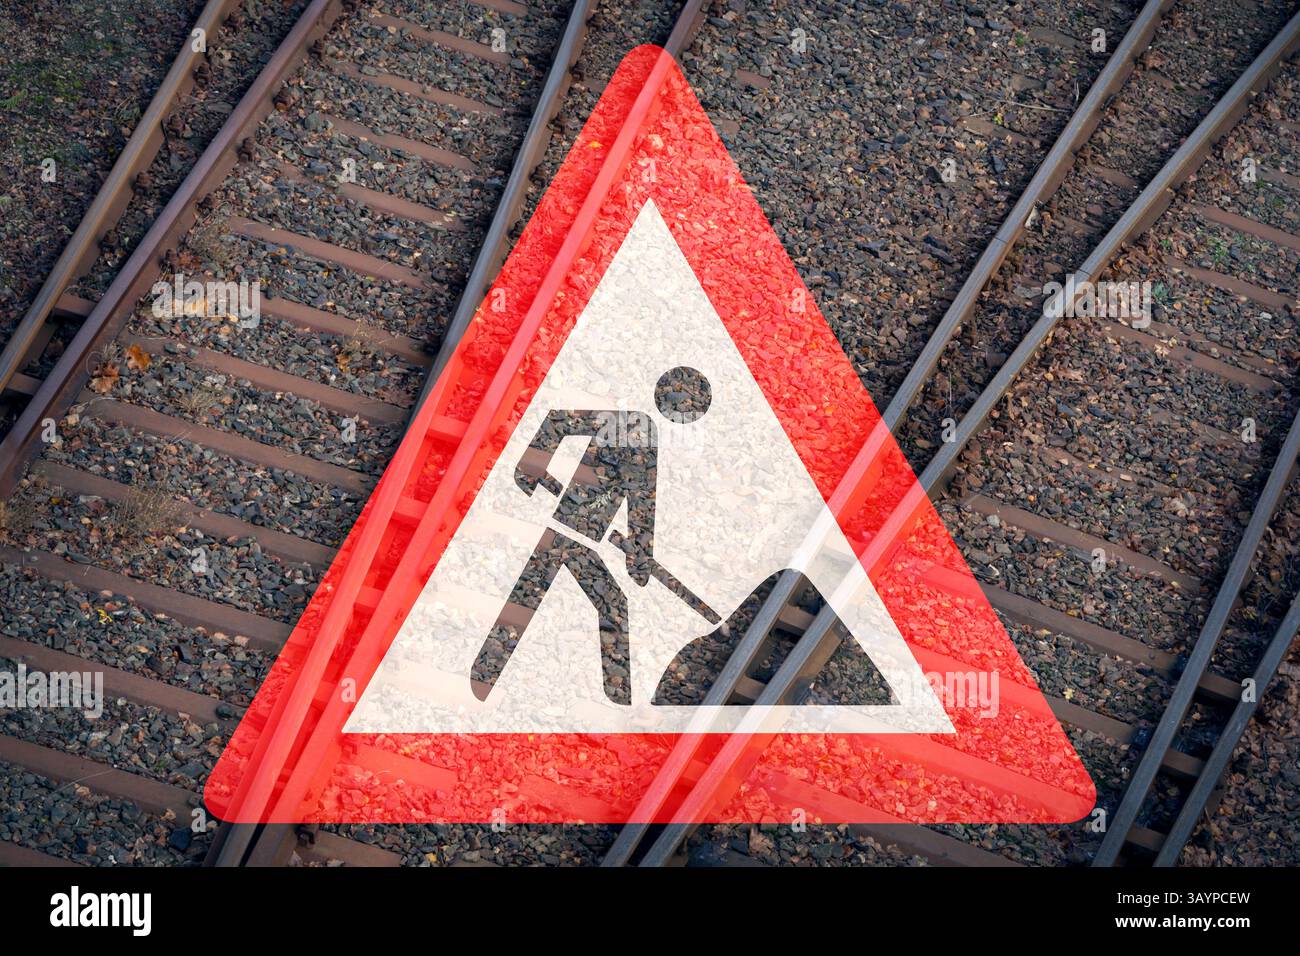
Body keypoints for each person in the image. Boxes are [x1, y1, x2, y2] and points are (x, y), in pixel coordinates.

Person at [471, 366, 712, 704]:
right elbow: (559, 421)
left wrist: (637, 556)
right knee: (593, 602)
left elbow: (640, 503)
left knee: (571, 600)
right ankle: (616, 700)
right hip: (568, 531)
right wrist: (530, 470)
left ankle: (485, 675)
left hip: (580, 536)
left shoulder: (642, 431)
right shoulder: (634, 426)